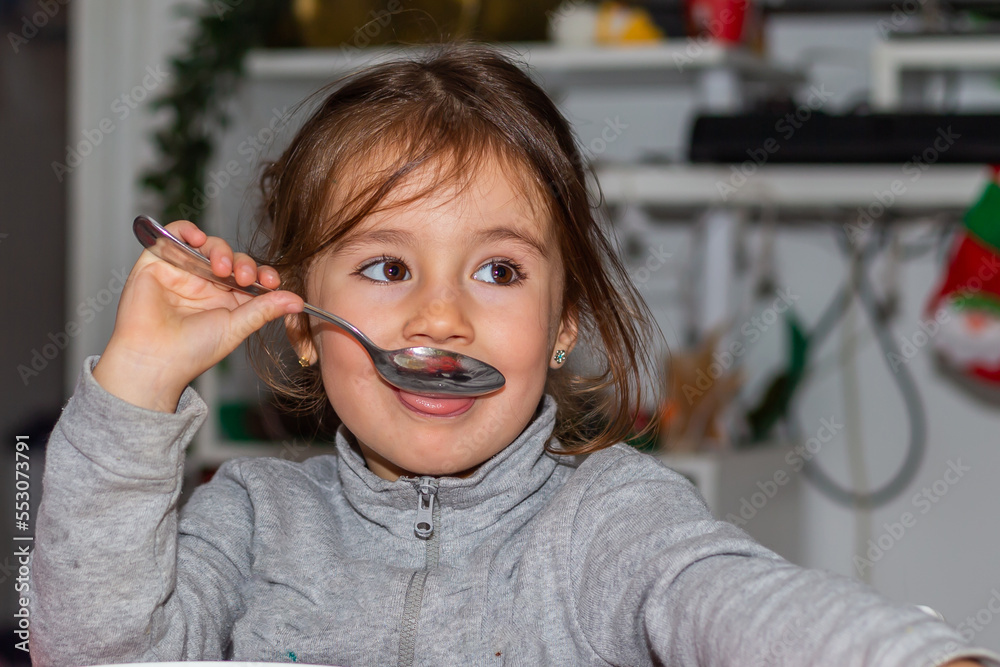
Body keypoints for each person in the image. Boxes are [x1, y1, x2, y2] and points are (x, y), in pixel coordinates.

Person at [29, 43, 998, 667]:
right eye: (384, 265)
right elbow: (86, 649)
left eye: (496, 271)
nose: (441, 316)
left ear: (564, 316)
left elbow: (742, 606)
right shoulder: (250, 519)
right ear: (299, 320)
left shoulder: (609, 519)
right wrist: (139, 383)